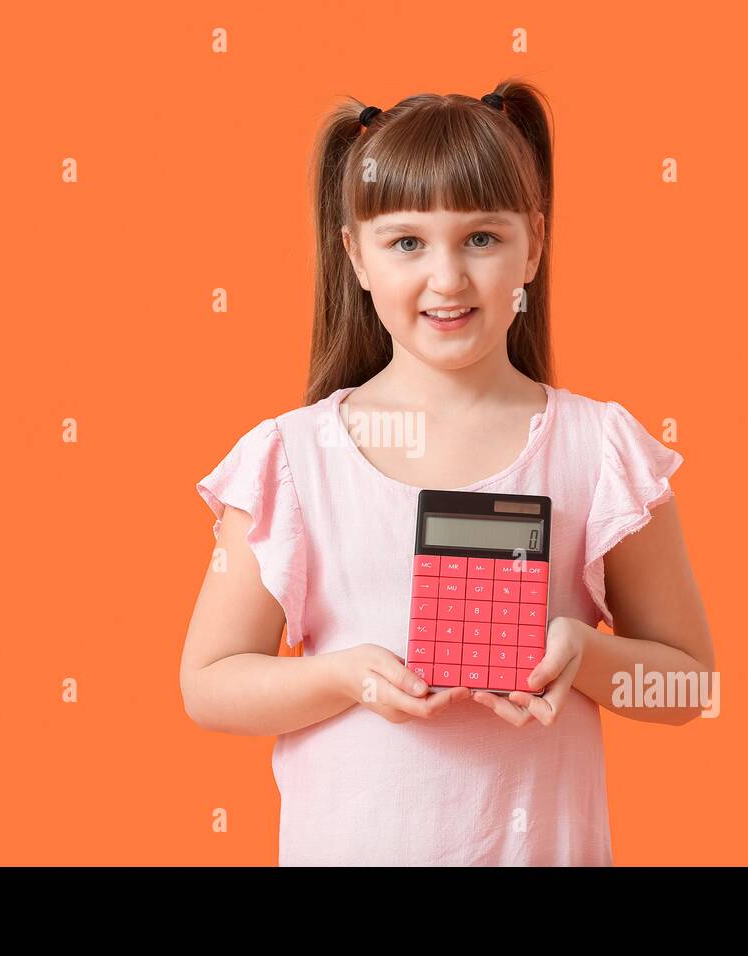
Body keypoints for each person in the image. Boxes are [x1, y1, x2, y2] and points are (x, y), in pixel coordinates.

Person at [181, 79, 714, 865]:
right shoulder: (292, 459)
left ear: (533, 243)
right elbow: (210, 684)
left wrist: (582, 650)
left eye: (482, 239)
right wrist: (346, 679)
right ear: (355, 255)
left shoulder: (600, 448)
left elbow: (689, 685)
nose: (447, 278)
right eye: (407, 243)